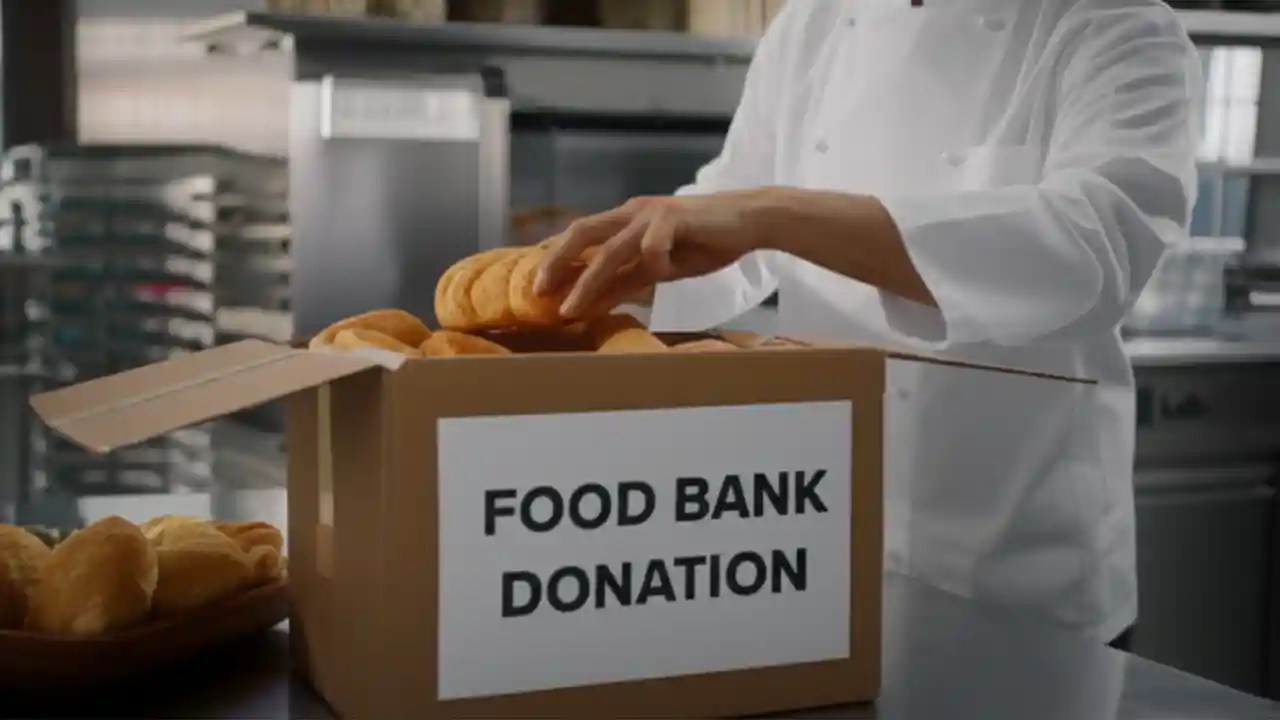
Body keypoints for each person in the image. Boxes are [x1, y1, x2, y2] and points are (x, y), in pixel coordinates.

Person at [535, 0, 1200, 647]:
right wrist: (619, 273)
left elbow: (1093, 248)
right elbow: (725, 206)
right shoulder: (814, 22)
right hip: (814, 548)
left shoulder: (1114, 22)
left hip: (1020, 569)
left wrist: (776, 216)